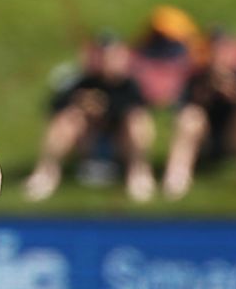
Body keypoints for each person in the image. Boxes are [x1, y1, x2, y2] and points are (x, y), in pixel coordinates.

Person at [23, 33, 156, 202]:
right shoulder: (83, 80)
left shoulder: (129, 83)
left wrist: (104, 106)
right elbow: (54, 105)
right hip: (87, 139)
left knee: (137, 120)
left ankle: (138, 172)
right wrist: (80, 101)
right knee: (67, 119)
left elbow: (139, 105)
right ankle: (47, 173)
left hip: (119, 140)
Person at [162, 30, 236, 199]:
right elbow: (178, 108)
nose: (220, 57)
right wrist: (204, 94)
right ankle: (177, 176)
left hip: (233, 137)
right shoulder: (197, 78)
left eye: (224, 51)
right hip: (205, 139)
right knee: (190, 117)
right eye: (216, 52)